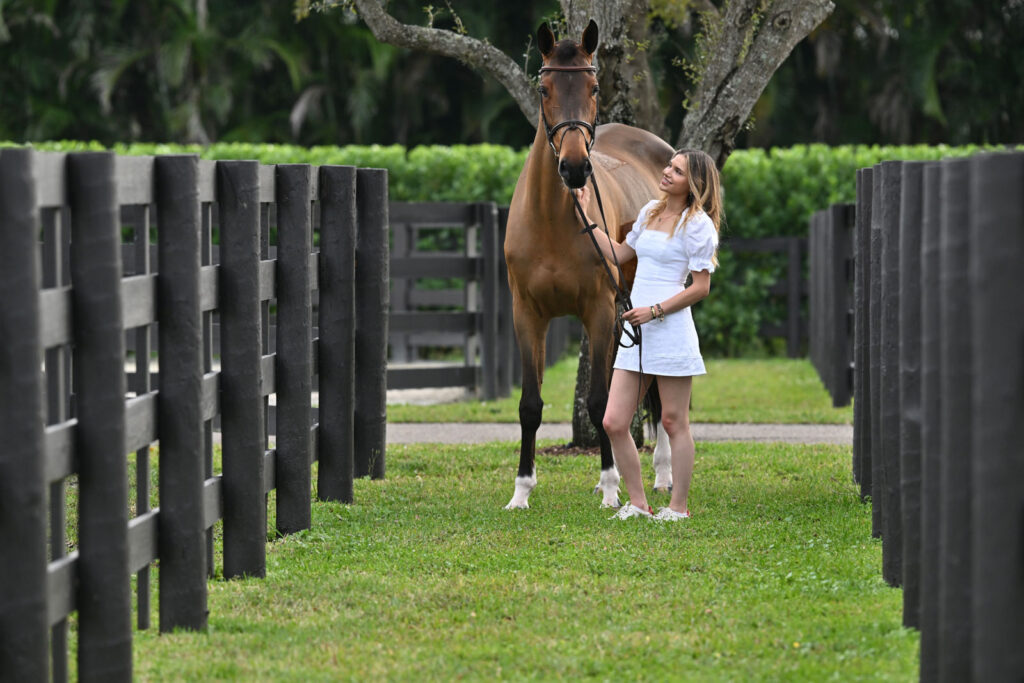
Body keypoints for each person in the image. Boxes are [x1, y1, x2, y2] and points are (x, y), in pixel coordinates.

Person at [575, 148, 722, 521]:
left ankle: (678, 508)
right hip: (638, 332)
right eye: (669, 165)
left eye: (678, 170)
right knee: (613, 422)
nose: (667, 172)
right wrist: (586, 215)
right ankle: (639, 503)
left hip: (670, 331)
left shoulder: (698, 225)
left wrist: (655, 310)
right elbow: (618, 254)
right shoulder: (649, 212)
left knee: (673, 422)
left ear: (695, 183)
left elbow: (700, 287)